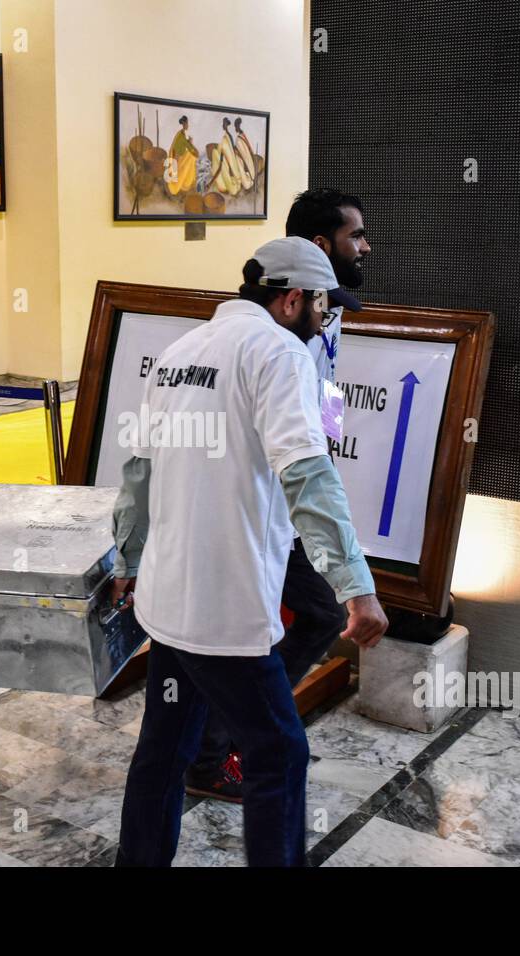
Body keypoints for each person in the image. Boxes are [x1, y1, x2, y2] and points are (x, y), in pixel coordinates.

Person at [111, 237, 388, 867]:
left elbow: (137, 472)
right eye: (323, 307)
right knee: (279, 754)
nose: (327, 320)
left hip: (168, 598)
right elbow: (308, 474)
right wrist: (355, 585)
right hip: (224, 610)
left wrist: (128, 560)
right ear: (292, 300)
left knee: (163, 751)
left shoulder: (182, 352)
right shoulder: (278, 354)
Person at [185, 187, 372, 802]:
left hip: (286, 486)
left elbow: (326, 389)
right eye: (354, 236)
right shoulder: (273, 327)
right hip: (261, 497)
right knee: (305, 616)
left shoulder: (325, 308)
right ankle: (228, 745)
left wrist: (328, 443)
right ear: (317, 252)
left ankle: (222, 742)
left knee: (300, 618)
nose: (365, 247)